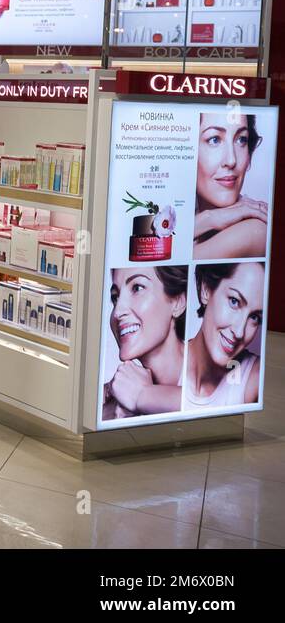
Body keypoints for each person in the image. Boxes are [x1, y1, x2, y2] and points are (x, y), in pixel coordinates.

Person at [102, 265, 186, 420]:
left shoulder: (222, 378)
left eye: (137, 288)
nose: (118, 312)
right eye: (115, 297)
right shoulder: (120, 391)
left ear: (178, 302)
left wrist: (142, 397)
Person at [184, 261, 263, 411]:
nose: (240, 332)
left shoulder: (254, 377)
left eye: (254, 317)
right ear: (206, 289)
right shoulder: (163, 366)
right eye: (234, 301)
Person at [193, 112, 267, 260]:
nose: (231, 160)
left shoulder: (254, 231)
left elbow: (168, 267)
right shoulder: (169, 216)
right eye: (214, 139)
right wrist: (208, 219)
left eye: (241, 139)